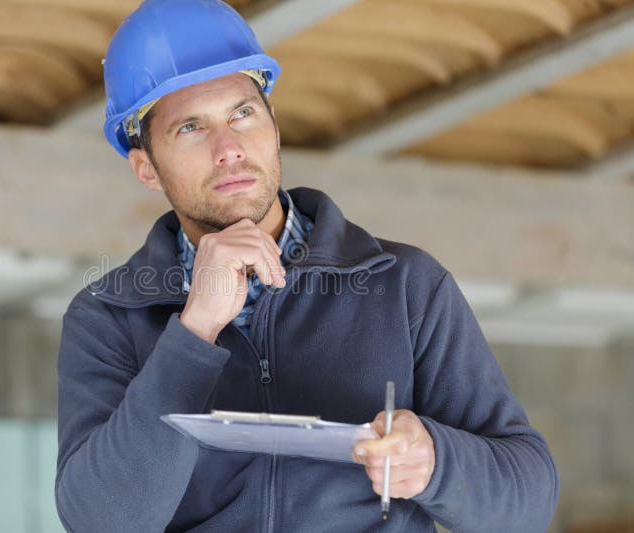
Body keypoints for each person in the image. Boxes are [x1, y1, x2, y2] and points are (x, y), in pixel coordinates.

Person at [55, 1, 560, 532]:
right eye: (191, 128)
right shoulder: (108, 317)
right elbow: (100, 522)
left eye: (242, 114)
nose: (229, 149)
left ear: (274, 126)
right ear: (146, 169)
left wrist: (436, 463)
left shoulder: (405, 286)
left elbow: (528, 501)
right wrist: (193, 331)